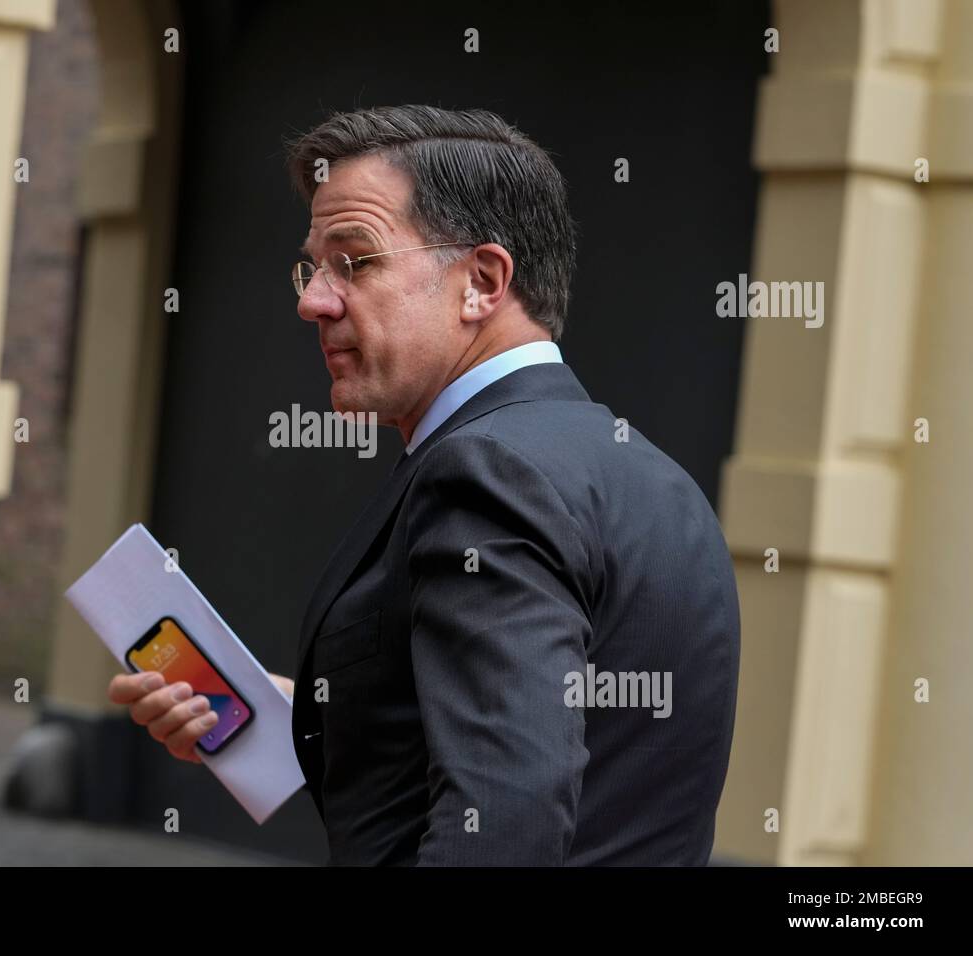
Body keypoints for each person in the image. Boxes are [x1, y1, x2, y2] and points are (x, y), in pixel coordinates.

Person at [110, 105, 740, 865]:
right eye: (311, 266)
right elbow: (555, 751)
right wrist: (309, 716)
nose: (313, 300)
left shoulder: (484, 472)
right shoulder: (658, 481)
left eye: (355, 261)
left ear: (481, 282)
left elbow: (506, 820)